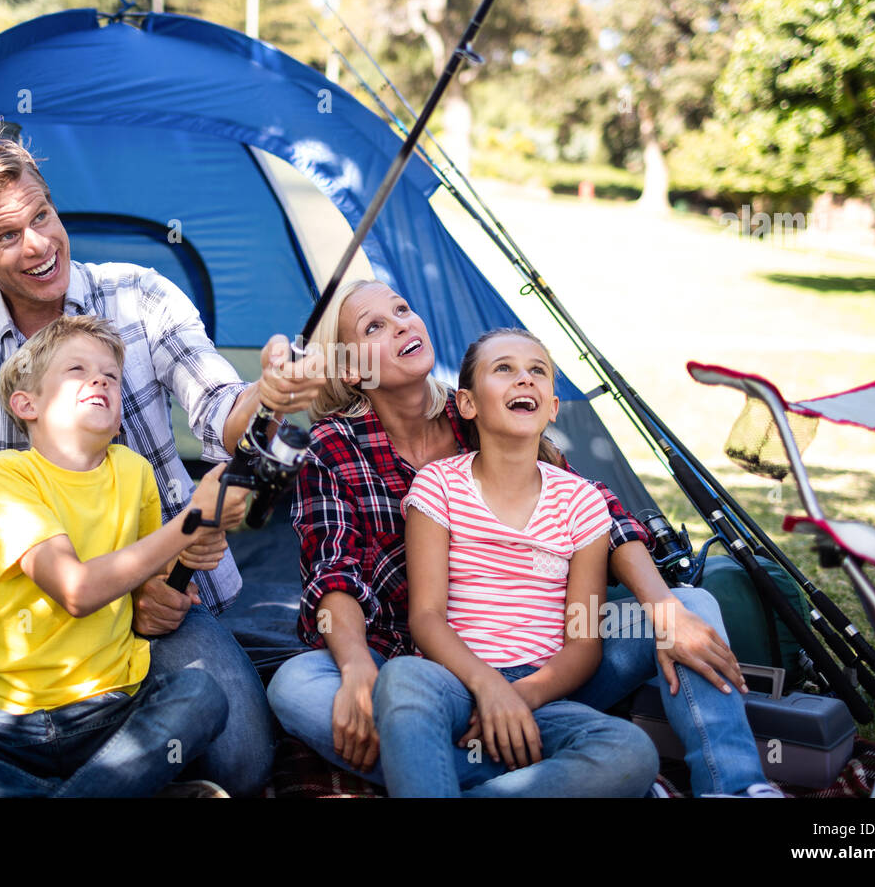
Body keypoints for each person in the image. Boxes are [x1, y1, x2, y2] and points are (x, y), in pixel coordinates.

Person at [0, 125, 327, 797]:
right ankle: (117, 779)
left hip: (160, 583)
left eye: (42, 215)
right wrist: (126, 585)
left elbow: (220, 409)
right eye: (7, 235)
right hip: (11, 602)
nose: (38, 244)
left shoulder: (142, 297)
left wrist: (264, 396)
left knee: (238, 757)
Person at [266, 279, 780, 797]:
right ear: (352, 369)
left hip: (548, 661)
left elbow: (603, 513)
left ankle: (735, 787)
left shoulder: (483, 408)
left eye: (402, 309)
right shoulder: (331, 450)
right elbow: (334, 571)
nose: (400, 323)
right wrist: (356, 667)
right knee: (297, 686)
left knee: (687, 605)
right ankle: (542, 776)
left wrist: (664, 611)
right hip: (416, 663)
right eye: (374, 326)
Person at [0, 316, 239, 796]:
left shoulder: (134, 472)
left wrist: (197, 545)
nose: (100, 380)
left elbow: (156, 573)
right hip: (13, 722)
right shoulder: (3, 477)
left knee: (201, 695)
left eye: (110, 376)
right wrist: (189, 521)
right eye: (77, 370)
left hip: (116, 713)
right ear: (26, 403)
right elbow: (76, 590)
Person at [375, 328, 658, 796]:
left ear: (552, 407)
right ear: (467, 404)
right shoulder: (437, 486)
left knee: (630, 751)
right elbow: (426, 617)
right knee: (402, 679)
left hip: (542, 693)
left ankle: (457, 778)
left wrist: (515, 698)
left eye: (538, 371)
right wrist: (487, 688)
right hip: (454, 680)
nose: (524, 379)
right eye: (503, 368)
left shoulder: (583, 502)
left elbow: (582, 643)